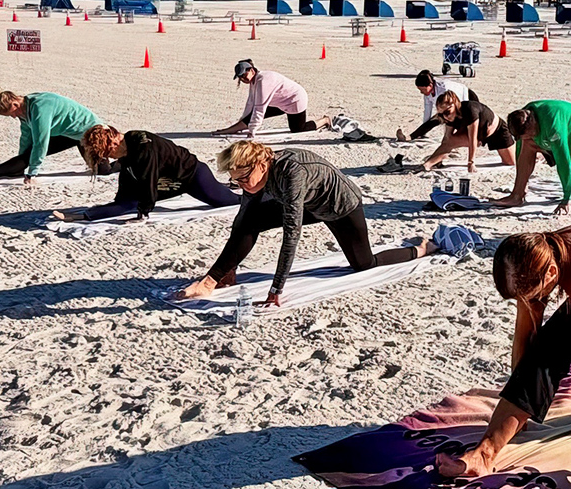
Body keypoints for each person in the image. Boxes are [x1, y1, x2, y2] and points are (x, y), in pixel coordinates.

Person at [178, 141, 436, 307]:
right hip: (310, 204)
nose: (242, 185)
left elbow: (292, 233)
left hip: (340, 208)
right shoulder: (254, 175)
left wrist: (276, 288)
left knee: (363, 264)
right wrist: (225, 270)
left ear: (260, 163)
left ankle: (421, 249)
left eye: (244, 178)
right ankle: (208, 283)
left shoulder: (292, 172)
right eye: (236, 181)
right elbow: (244, 214)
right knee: (249, 221)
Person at [437, 228, 571, 477]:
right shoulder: (548, 256)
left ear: (551, 273)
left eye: (530, 296)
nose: (530, 302)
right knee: (550, 347)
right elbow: (531, 359)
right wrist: (515, 413)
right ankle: (483, 455)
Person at [53, 126, 240, 222]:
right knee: (127, 201)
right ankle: (86, 215)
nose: (107, 159)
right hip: (171, 179)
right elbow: (126, 184)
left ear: (113, 144)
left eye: (106, 154)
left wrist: (144, 213)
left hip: (193, 175)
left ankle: (261, 192)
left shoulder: (143, 148)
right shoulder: (127, 151)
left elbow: (148, 180)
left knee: (233, 201)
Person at [0, 88, 107, 185]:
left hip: (91, 132)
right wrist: (20, 162)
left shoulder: (39, 107)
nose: (13, 117)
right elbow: (26, 138)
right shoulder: (23, 110)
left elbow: (41, 142)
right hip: (70, 134)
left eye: (11, 113)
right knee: (28, 153)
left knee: (103, 170)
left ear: (15, 104)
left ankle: (122, 161)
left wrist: (33, 171)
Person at [212, 60, 331, 137]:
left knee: (298, 129)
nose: (243, 79)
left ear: (252, 70)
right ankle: (227, 130)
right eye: (240, 77)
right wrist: (239, 124)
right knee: (252, 115)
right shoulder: (254, 82)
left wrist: (252, 131)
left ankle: (325, 120)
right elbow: (250, 104)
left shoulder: (263, 80)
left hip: (295, 99)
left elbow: (259, 108)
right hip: (280, 102)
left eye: (244, 75)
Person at [492, 100, 571, 216]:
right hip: (552, 131)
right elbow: (520, 152)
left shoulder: (553, 126)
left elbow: (563, 160)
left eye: (530, 134)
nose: (530, 137)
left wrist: (566, 199)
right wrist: (518, 188)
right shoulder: (524, 113)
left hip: (566, 128)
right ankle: (518, 196)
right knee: (527, 145)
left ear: (533, 122)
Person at [422, 90, 515, 173]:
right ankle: (429, 163)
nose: (445, 117)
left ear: (454, 104)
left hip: (497, 131)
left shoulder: (470, 110)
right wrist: (438, 156)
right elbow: (447, 138)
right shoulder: (449, 117)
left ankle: (430, 162)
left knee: (511, 162)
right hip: (479, 135)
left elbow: (473, 139)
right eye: (441, 115)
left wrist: (471, 162)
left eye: (447, 113)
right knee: (450, 140)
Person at [396, 69, 478, 142]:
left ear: (430, 86)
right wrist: (424, 131)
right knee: (437, 119)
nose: (421, 92)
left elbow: (455, 107)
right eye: (420, 90)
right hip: (453, 106)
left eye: (423, 89)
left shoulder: (444, 89)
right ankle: (409, 137)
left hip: (468, 98)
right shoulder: (427, 94)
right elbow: (427, 112)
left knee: (454, 119)